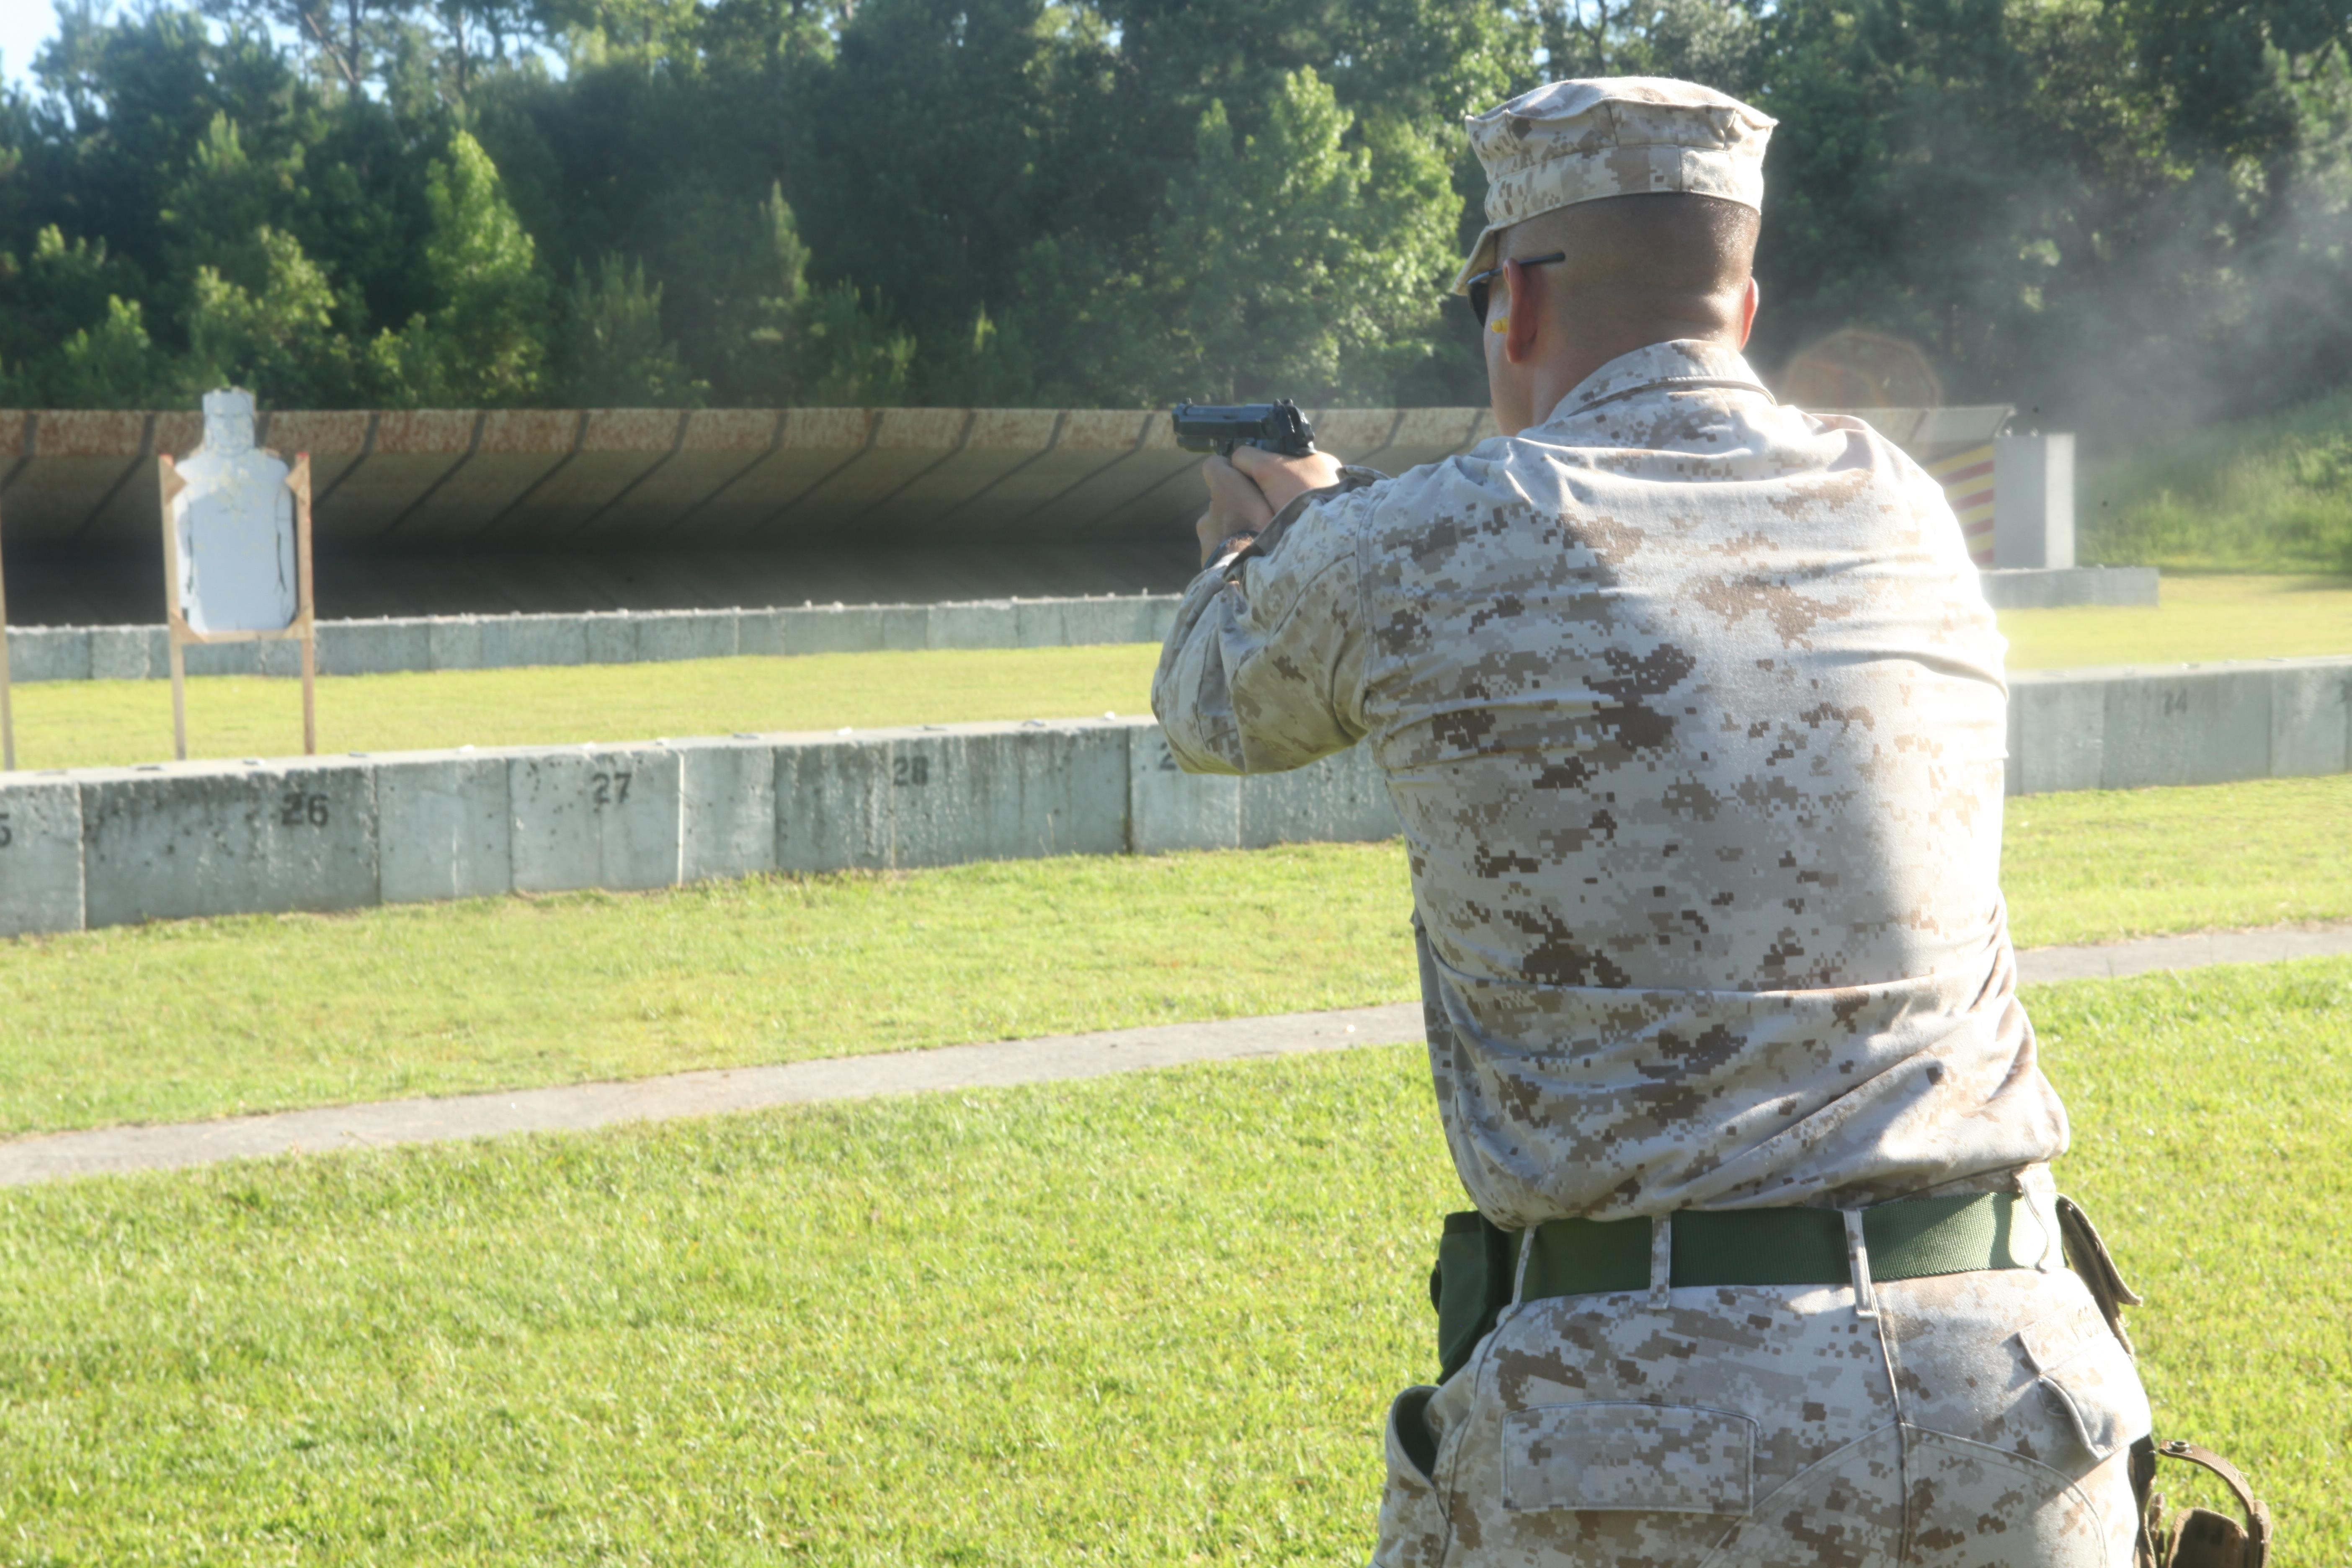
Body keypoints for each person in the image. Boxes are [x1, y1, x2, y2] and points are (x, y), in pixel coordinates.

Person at [1151, 77, 2153, 1567]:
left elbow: (1206, 708)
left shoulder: (1411, 542)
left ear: (1516, 307)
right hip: (2010, 1400)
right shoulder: (1903, 506)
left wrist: (1279, 535)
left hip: (1643, 1429)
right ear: (1745, 304)